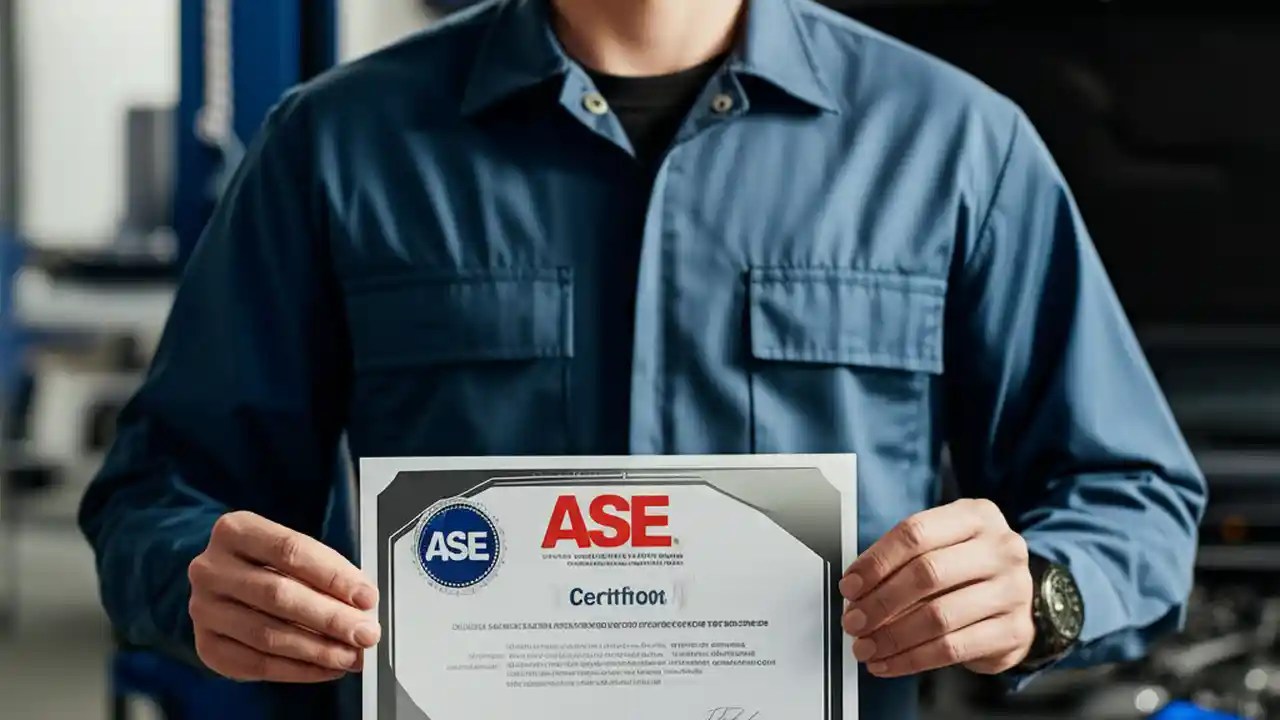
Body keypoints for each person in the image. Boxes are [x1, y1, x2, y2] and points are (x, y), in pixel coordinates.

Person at [78, 0, 1207, 718]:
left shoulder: (956, 146)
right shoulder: (336, 145)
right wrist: (197, 584)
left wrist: (1044, 593)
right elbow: (161, 490)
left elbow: (1129, 497)